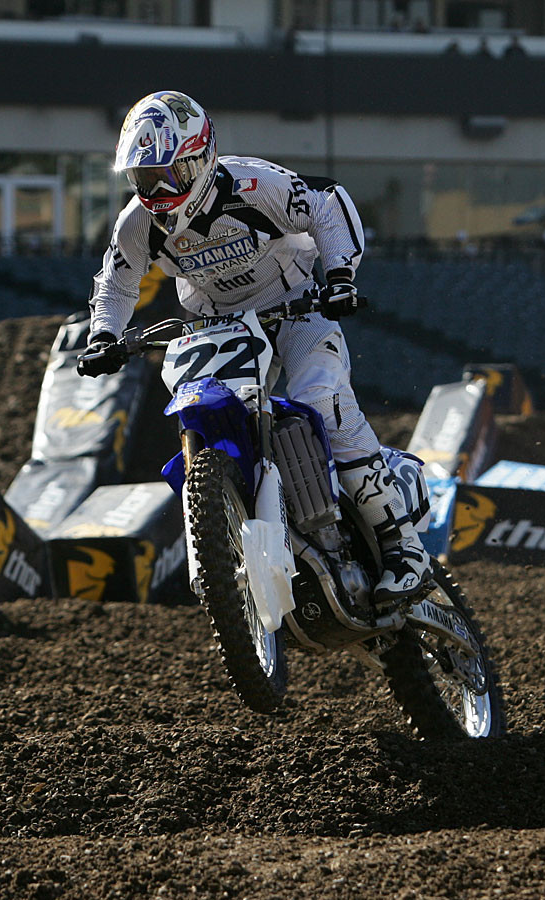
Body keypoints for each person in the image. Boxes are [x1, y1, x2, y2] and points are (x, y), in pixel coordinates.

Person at [78, 90, 432, 605]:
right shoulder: (138, 224)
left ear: (199, 159)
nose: (154, 191)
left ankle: (403, 545)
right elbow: (115, 282)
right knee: (214, 413)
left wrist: (338, 275)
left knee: (319, 400)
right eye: (142, 179)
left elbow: (326, 203)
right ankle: (245, 529)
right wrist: (103, 336)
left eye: (165, 176)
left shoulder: (252, 185)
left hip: (294, 305)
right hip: (216, 325)